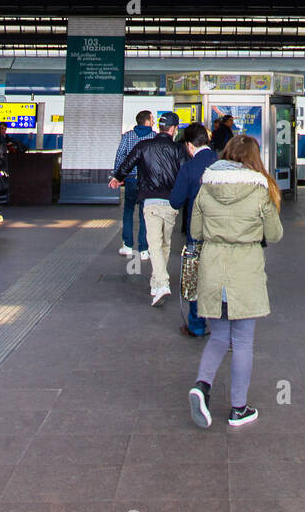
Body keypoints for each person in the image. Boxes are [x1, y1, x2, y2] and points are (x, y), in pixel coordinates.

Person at [188, 134, 283, 429]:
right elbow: (275, 234)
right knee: (242, 342)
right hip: (245, 270)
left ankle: (202, 386)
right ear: (254, 157)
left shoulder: (206, 187)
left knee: (218, 337)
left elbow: (195, 230)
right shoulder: (260, 191)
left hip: (213, 269)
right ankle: (238, 409)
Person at [110, 112, 187, 305]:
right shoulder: (179, 149)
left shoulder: (144, 145)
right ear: (173, 129)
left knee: (155, 244)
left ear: (160, 127)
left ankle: (157, 282)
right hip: (171, 203)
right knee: (164, 244)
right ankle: (162, 283)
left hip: (150, 201)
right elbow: (185, 174)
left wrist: (117, 177)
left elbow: (127, 162)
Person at [169, 122, 217, 338]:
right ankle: (222, 326)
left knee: (195, 279)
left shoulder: (189, 168)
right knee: (219, 277)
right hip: (222, 232)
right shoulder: (221, 162)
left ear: (189, 145)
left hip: (196, 233)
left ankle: (196, 326)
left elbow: (175, 201)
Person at [113, 110, 154, 261]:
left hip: (130, 179)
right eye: (152, 119)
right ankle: (144, 249)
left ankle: (127, 246)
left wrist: (118, 176)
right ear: (147, 121)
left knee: (128, 210)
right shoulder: (153, 137)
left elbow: (120, 156)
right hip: (147, 181)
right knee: (145, 214)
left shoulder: (128, 136)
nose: (154, 121)